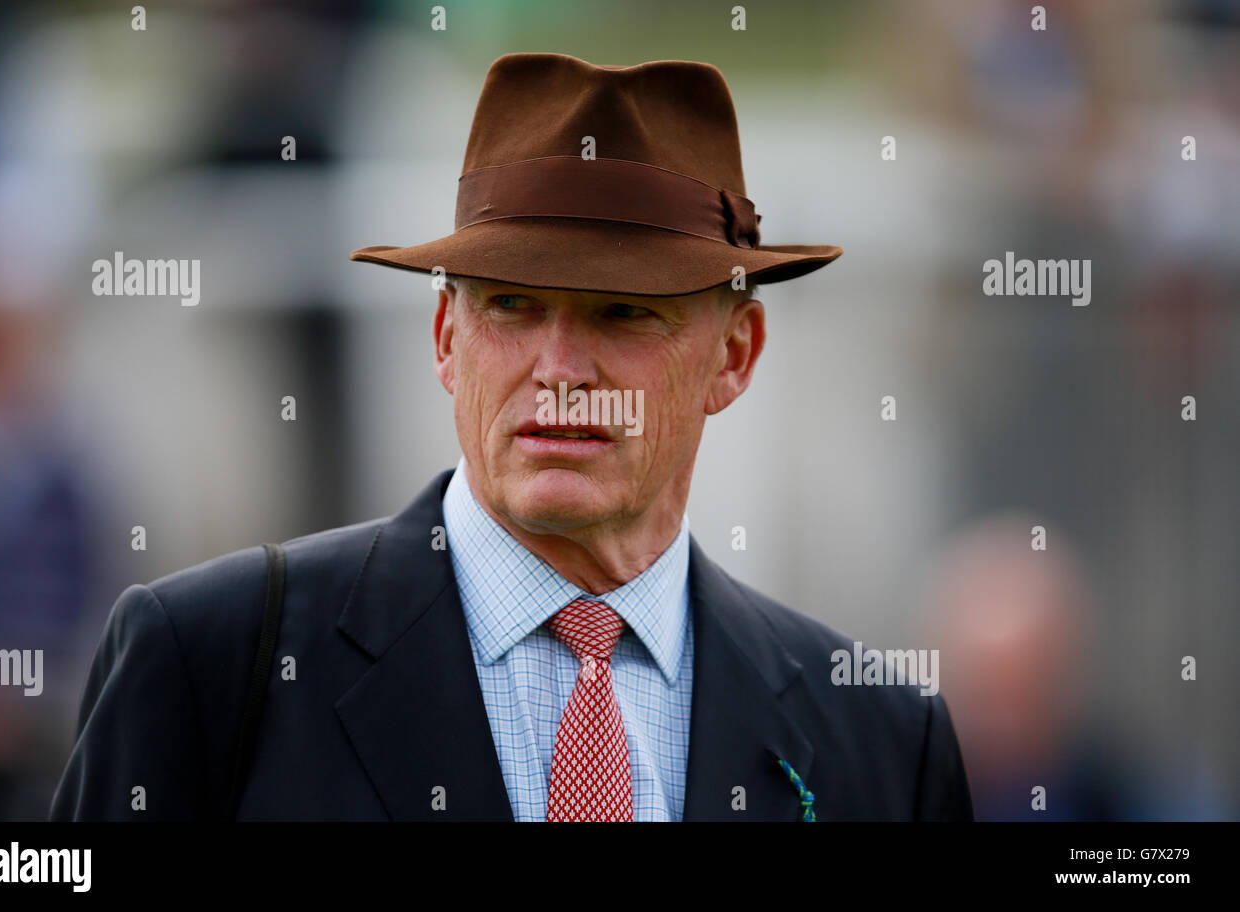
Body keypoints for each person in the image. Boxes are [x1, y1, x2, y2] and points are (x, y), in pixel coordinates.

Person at [50, 52, 972, 821]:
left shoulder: (883, 742)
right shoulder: (209, 660)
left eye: (623, 312)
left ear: (735, 355)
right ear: (448, 339)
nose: (559, 367)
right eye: (515, 306)